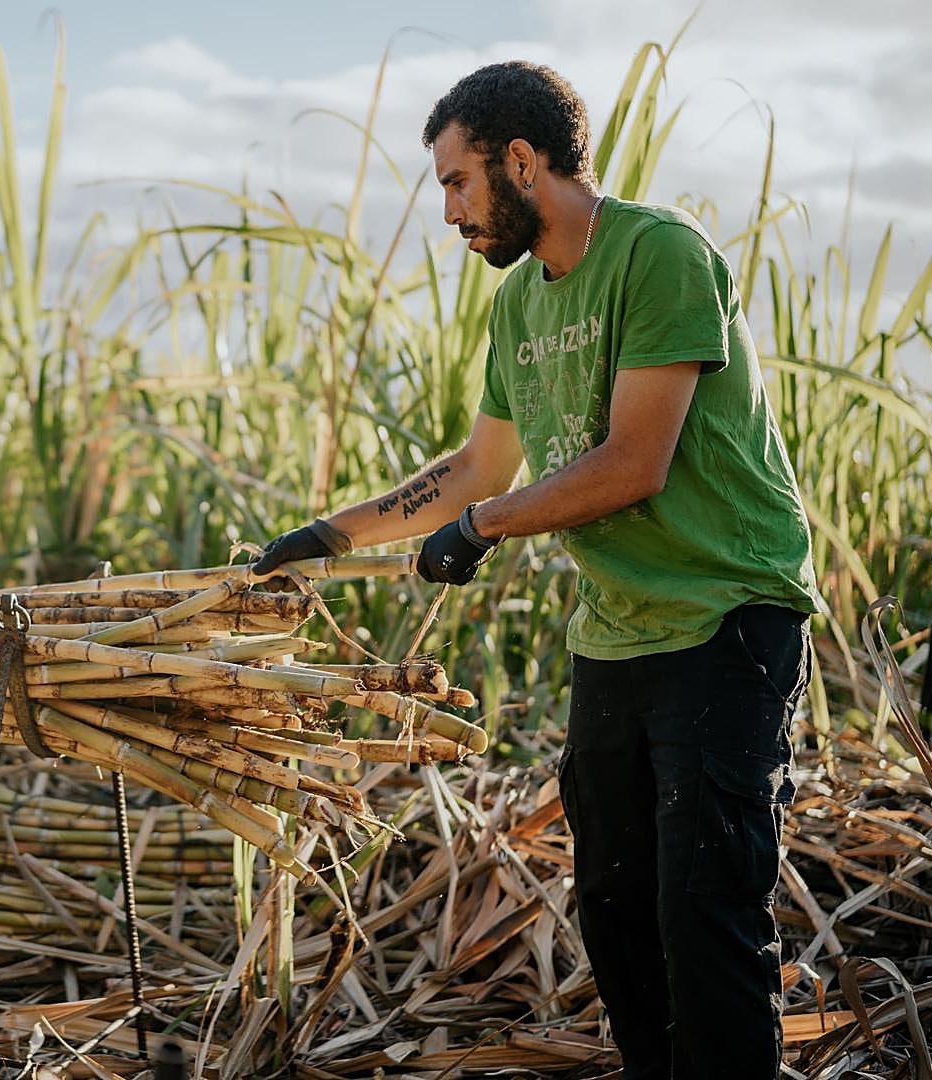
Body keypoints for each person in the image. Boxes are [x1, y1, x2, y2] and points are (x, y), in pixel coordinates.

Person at [254, 62, 816, 1079]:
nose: (450, 212)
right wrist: (328, 536)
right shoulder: (516, 306)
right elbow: (478, 466)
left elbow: (633, 461)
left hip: (728, 618)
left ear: (521, 161)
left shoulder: (658, 255)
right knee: (611, 905)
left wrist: (485, 525)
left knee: (704, 910)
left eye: (456, 182)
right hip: (617, 632)